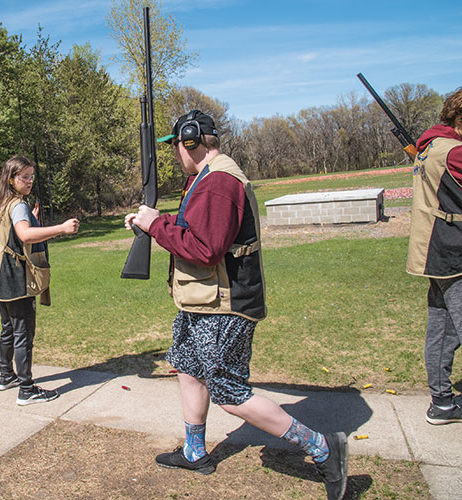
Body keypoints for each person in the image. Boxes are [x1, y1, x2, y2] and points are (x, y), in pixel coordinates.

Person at [124, 110, 348, 500]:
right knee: (188, 367)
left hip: (224, 303)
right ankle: (195, 452)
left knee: (228, 391)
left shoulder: (220, 182)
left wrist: (154, 226)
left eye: (176, 145)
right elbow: (200, 225)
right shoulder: (207, 179)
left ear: (190, 141)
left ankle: (324, 448)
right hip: (203, 300)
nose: (174, 153)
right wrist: (158, 220)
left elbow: (205, 249)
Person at [0, 155, 79, 405]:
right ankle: (26, 389)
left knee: (8, 330)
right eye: (24, 177)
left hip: (1, 279)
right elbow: (25, 235)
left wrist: (32, 216)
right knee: (23, 333)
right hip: (16, 278)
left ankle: (6, 376)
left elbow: (15, 233)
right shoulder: (17, 205)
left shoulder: (3, 203)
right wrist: (61, 228)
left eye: (31, 176)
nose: (29, 181)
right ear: (11, 179)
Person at [407, 87, 462, 425]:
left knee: (441, 332)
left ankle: (442, 402)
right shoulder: (454, 151)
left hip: (434, 251)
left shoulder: (430, 146)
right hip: (454, 249)